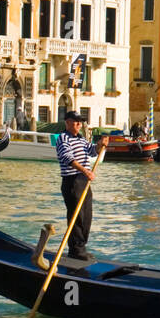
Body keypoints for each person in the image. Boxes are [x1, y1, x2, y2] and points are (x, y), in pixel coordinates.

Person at [55, 110, 98, 261]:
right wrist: (85, 171)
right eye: (76, 121)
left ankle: (81, 247)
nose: (79, 124)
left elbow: (92, 152)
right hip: (72, 180)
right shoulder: (63, 138)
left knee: (87, 216)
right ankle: (76, 249)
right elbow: (67, 158)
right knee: (76, 216)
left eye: (80, 121)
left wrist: (100, 146)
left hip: (84, 181)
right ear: (67, 122)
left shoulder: (81, 139)